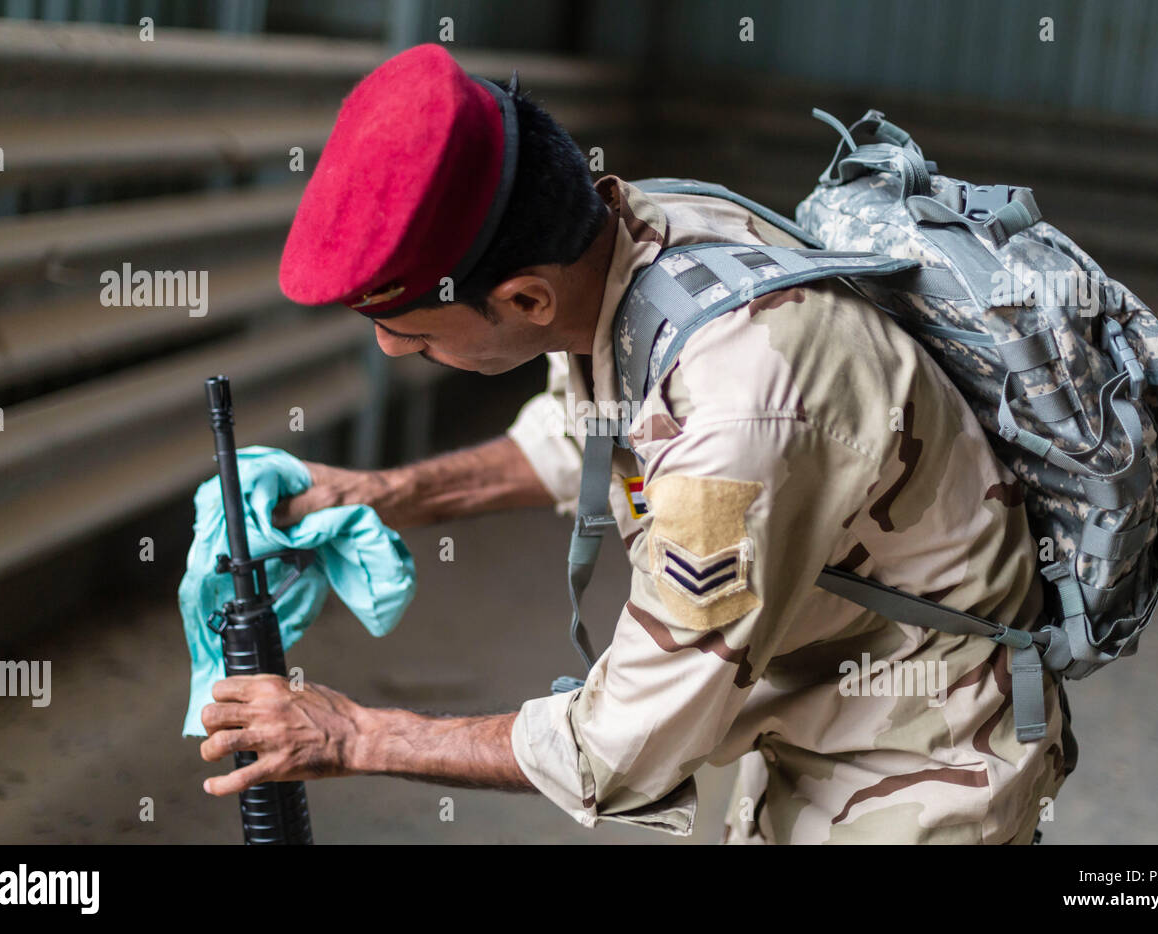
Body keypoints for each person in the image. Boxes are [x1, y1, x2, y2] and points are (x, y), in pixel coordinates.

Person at [198, 43, 1072, 844]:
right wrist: (378, 495)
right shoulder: (633, 236)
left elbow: (622, 746)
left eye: (416, 336)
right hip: (822, 693)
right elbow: (585, 431)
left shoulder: (736, 414)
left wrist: (352, 735)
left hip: (922, 758)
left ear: (527, 301)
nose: (392, 349)